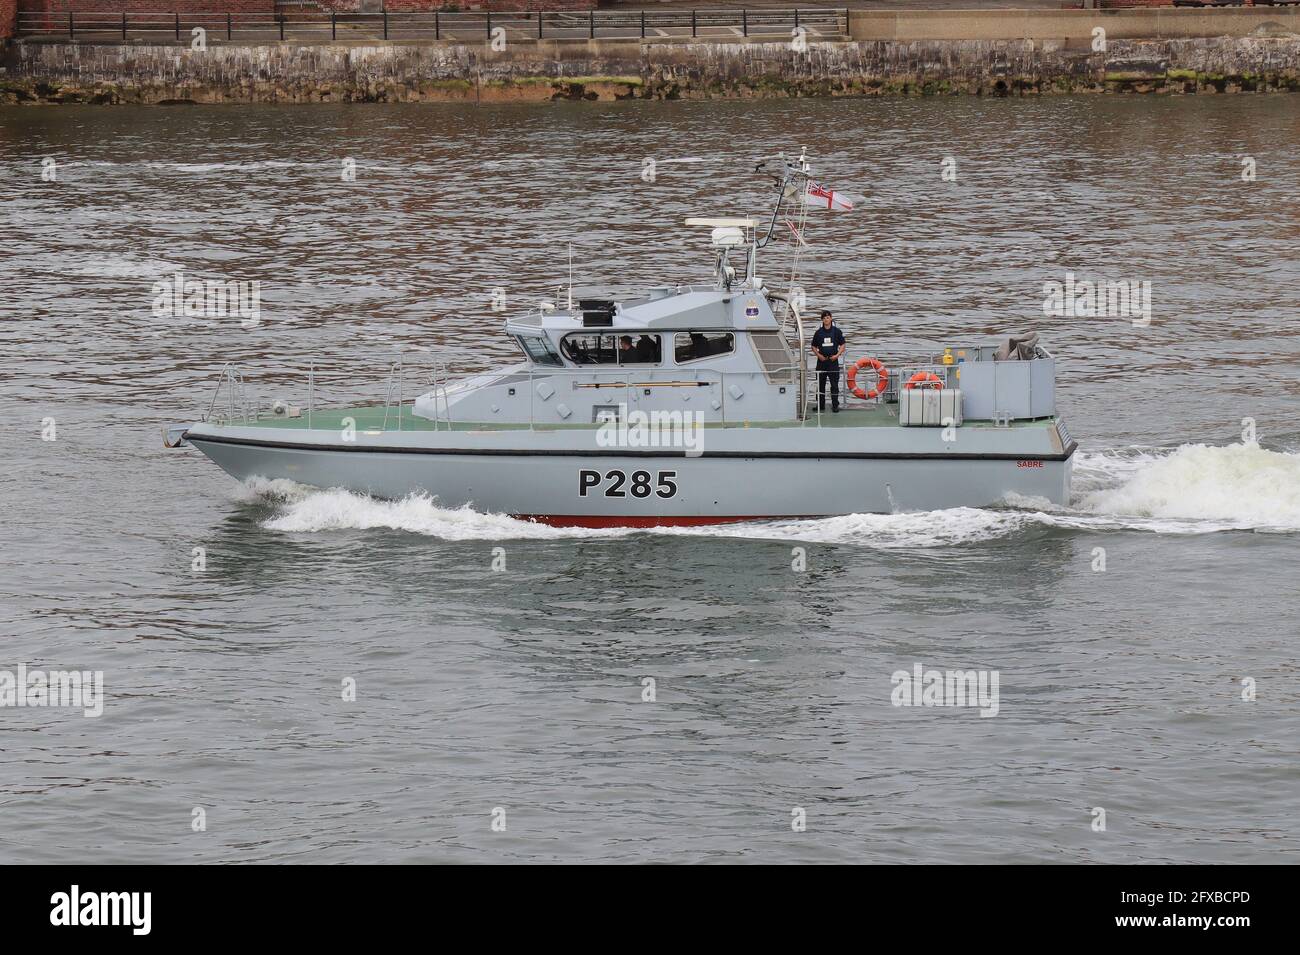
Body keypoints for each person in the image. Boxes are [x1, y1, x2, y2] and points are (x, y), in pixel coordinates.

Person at [810, 310, 845, 413]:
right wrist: (819, 355)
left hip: (833, 361)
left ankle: (835, 405)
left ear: (831, 318)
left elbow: (843, 345)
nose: (826, 319)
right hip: (822, 362)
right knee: (820, 385)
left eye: (828, 317)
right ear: (822, 320)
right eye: (824, 318)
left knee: (834, 385)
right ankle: (821, 405)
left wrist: (837, 355)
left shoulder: (836, 331)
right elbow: (813, 346)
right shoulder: (818, 332)